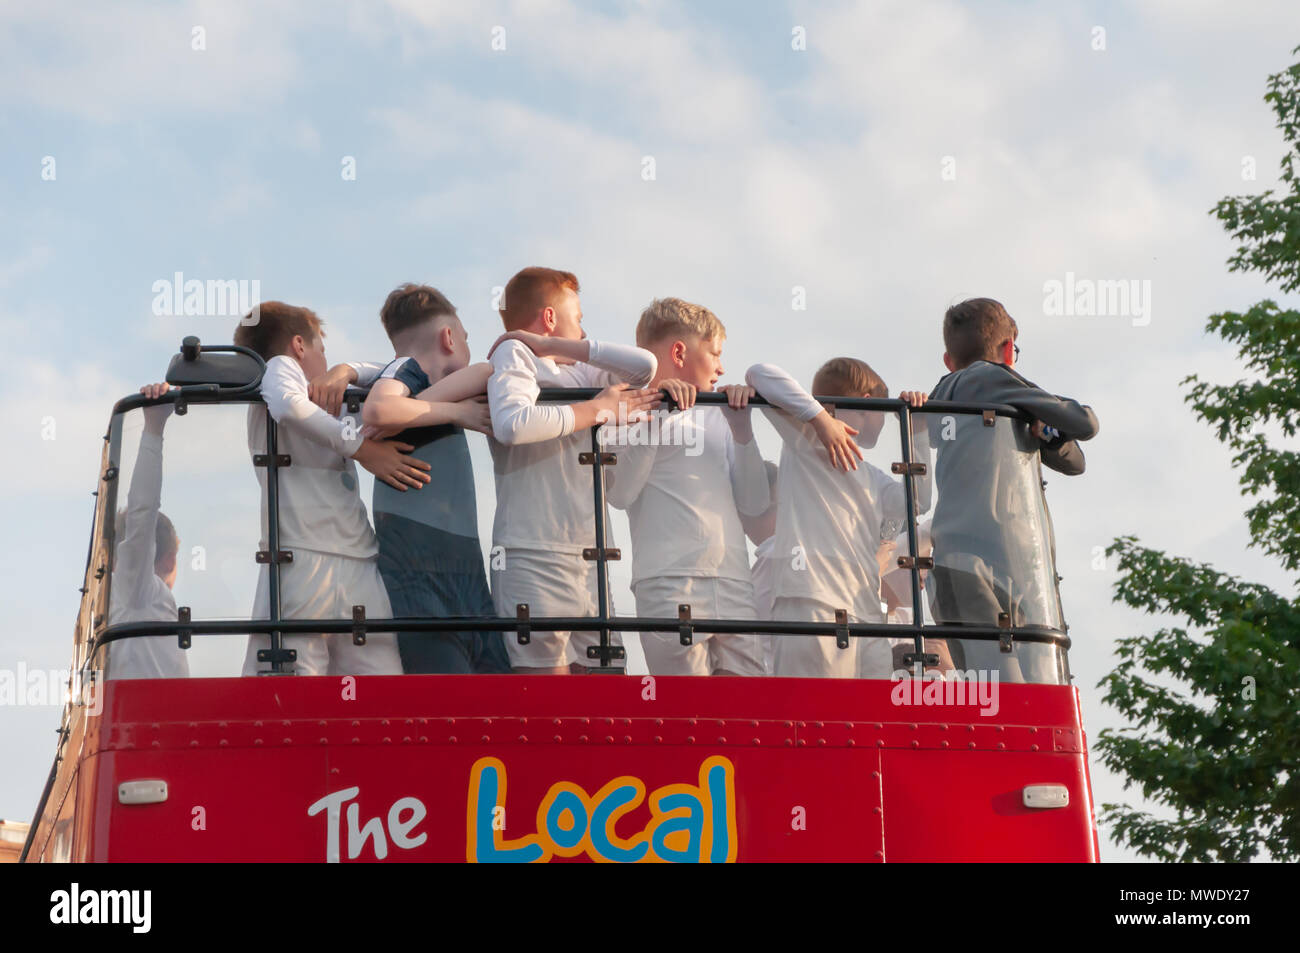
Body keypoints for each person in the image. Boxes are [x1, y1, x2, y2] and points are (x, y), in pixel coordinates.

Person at [234, 301, 429, 676]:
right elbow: (289, 407)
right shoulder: (278, 370)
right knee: (322, 695)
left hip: (347, 562)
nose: (327, 360)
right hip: (303, 561)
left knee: (372, 692)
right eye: (323, 350)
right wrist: (365, 450)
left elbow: (401, 370)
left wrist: (348, 370)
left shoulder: (329, 399)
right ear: (298, 346)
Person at [486, 267, 660, 673]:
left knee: (607, 693)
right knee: (550, 708)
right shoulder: (512, 355)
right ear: (550, 316)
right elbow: (513, 424)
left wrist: (567, 347)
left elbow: (646, 367)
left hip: (591, 564)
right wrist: (596, 409)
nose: (583, 330)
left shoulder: (584, 370)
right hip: (533, 558)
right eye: (578, 319)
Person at [927, 297, 1099, 684]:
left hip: (963, 565)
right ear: (1008, 350)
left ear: (947, 359)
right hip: (997, 568)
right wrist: (1044, 417)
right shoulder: (990, 378)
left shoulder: (947, 395)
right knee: (1021, 695)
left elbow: (1074, 461)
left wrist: (1042, 433)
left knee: (1001, 688)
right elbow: (1084, 422)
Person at [605, 297, 769, 677]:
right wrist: (659, 414)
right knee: (686, 718)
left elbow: (755, 503)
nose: (721, 366)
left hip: (733, 583)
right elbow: (620, 493)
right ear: (679, 351)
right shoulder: (626, 409)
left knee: (747, 716)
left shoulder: (720, 413)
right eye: (714, 353)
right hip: (668, 586)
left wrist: (742, 432)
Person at [745, 358, 931, 678]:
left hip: (866, 615)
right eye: (885, 411)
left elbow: (917, 502)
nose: (888, 420)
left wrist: (918, 432)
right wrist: (820, 420)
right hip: (812, 606)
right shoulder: (804, 438)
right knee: (812, 719)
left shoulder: (871, 477)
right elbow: (759, 373)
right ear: (868, 404)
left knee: (866, 721)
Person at [358, 283, 510, 674]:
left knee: (499, 706)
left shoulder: (440, 392)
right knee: (449, 707)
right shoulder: (403, 369)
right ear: (448, 337)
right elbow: (378, 413)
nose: (468, 348)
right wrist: (456, 414)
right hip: (417, 576)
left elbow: (485, 371)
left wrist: (431, 409)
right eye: (464, 337)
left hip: (467, 574)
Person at [105, 383, 190, 680]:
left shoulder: (115, 603)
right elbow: (143, 513)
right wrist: (153, 428)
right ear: (169, 560)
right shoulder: (137, 591)